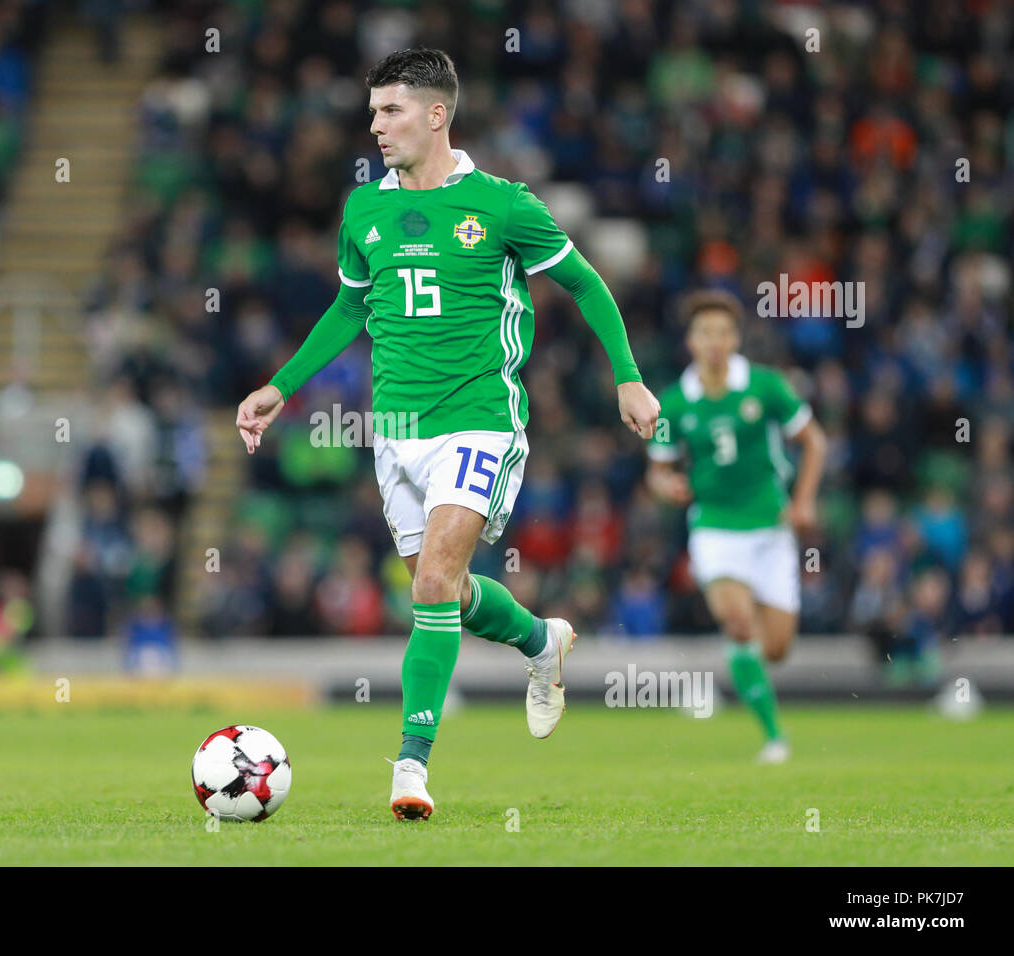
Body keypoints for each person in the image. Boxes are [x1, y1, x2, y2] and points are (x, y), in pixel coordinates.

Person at [236, 48, 659, 820]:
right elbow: (348, 310)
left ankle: (410, 768)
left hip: (479, 419)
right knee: (449, 595)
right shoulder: (364, 210)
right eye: (372, 112)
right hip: (393, 429)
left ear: (437, 114)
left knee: (431, 585)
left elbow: (586, 282)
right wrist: (279, 386)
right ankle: (540, 641)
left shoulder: (502, 205)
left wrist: (627, 375)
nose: (376, 126)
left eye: (390, 111)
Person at [646, 290, 827, 764]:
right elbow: (658, 468)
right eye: (705, 332)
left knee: (778, 647)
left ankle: (743, 669)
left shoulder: (765, 386)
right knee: (738, 619)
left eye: (723, 332)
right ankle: (774, 737)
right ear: (690, 340)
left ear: (736, 338)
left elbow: (814, 442)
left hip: (770, 526)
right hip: (715, 525)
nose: (715, 341)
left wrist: (804, 500)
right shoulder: (672, 402)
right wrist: (667, 485)